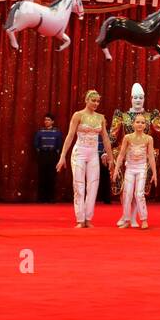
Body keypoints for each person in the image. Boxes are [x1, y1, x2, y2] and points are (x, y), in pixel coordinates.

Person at [56, 90, 114, 228]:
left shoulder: (101, 117)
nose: (95, 103)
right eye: (93, 100)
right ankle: (80, 219)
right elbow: (70, 136)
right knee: (79, 186)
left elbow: (105, 138)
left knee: (93, 186)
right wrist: (62, 156)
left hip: (93, 154)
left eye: (98, 101)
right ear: (86, 100)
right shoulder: (78, 115)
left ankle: (88, 218)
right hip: (79, 153)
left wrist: (111, 158)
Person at [113, 112, 158, 228]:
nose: (140, 124)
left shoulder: (149, 139)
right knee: (127, 194)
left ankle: (144, 219)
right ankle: (127, 220)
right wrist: (116, 169)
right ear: (133, 124)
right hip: (130, 169)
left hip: (141, 168)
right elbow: (121, 155)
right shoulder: (127, 138)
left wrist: (154, 173)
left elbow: (151, 157)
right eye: (137, 122)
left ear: (145, 125)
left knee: (139, 194)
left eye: (142, 122)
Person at [32, 114, 63, 202]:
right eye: (45, 120)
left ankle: (51, 198)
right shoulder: (40, 132)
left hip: (53, 155)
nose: (46, 121)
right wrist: (41, 152)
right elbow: (36, 144)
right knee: (42, 176)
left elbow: (60, 144)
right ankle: (42, 198)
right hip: (43, 155)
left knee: (52, 176)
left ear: (52, 122)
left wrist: (56, 153)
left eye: (48, 120)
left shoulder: (57, 132)